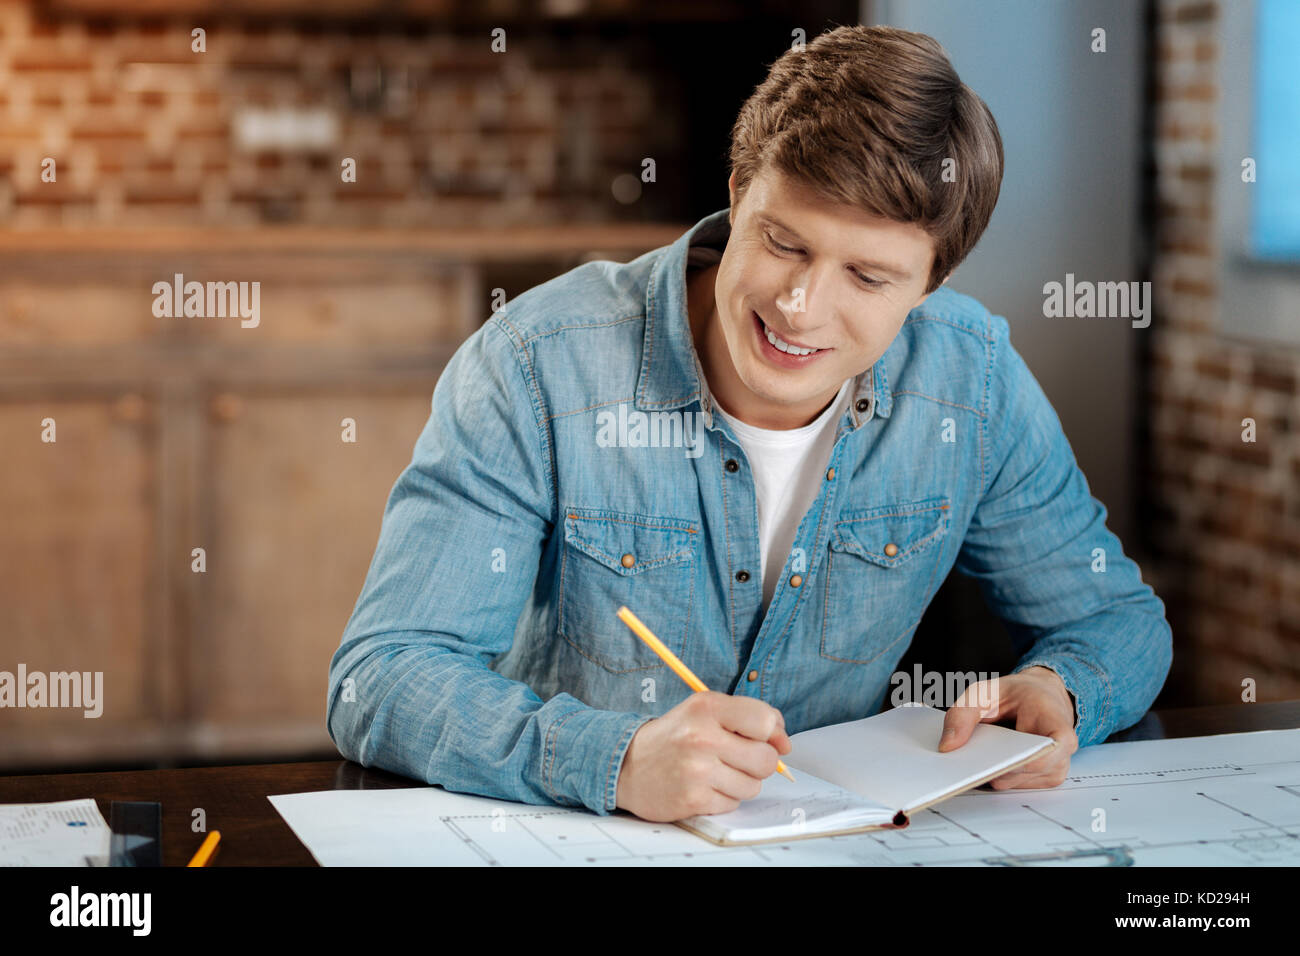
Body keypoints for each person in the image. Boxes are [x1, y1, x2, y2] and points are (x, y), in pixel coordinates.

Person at [327, 24, 1171, 824]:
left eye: (869, 278)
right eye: (784, 242)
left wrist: (1064, 690)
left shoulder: (971, 384)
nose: (801, 308)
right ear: (737, 195)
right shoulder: (538, 364)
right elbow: (382, 676)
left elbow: (1117, 622)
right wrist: (614, 760)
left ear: (930, 285)